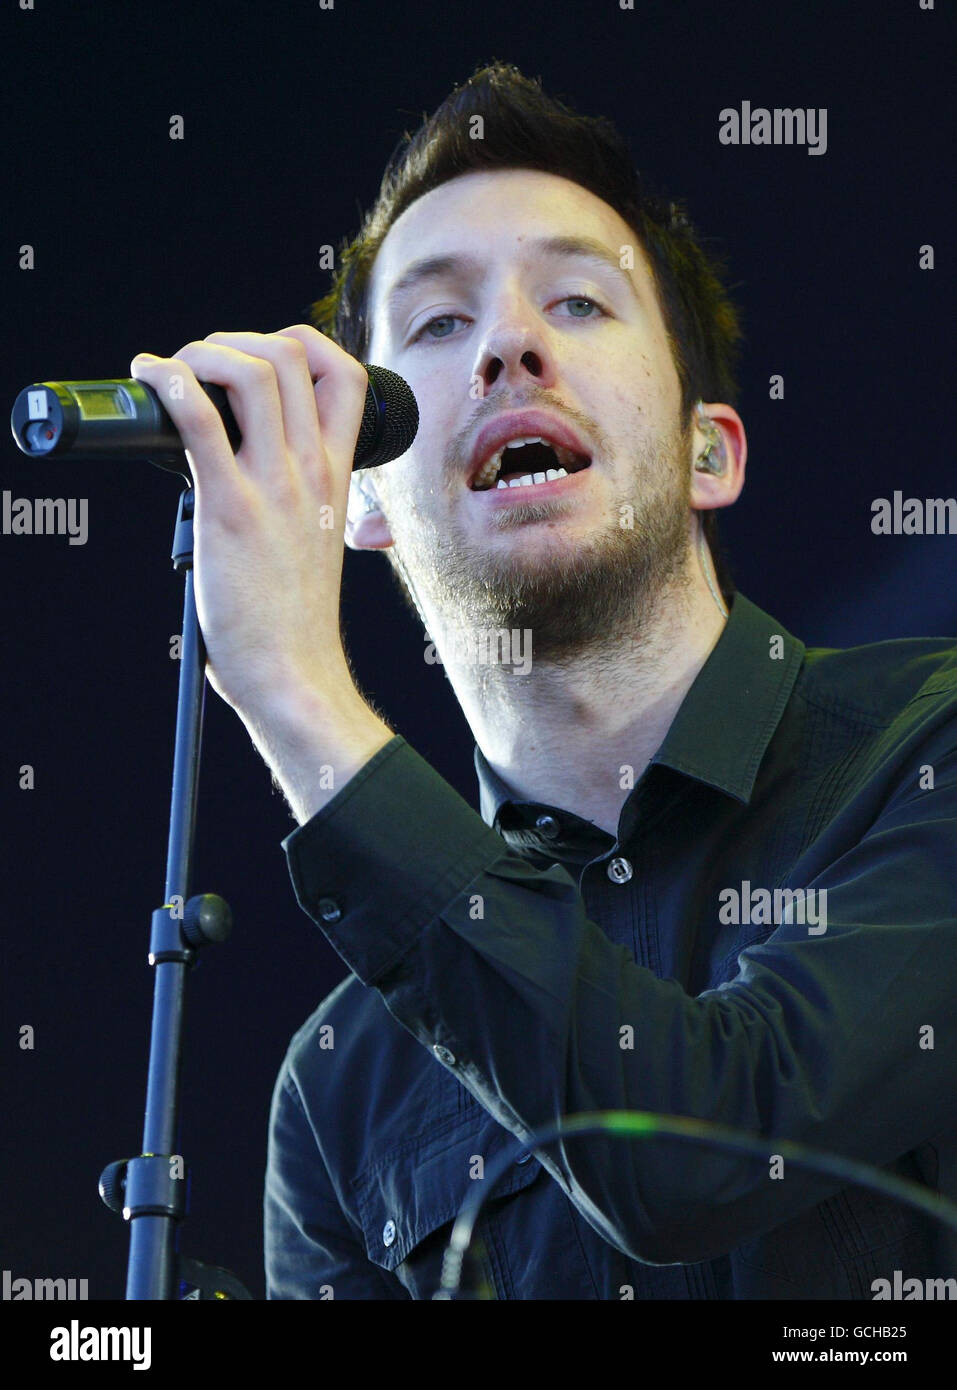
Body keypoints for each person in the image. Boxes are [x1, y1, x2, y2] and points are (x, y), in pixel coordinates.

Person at [130, 63, 957, 1300]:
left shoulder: (924, 746)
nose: (510, 342)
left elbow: (698, 1160)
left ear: (707, 450)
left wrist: (295, 691)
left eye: (577, 301)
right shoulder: (339, 1085)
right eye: (440, 323)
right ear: (361, 502)